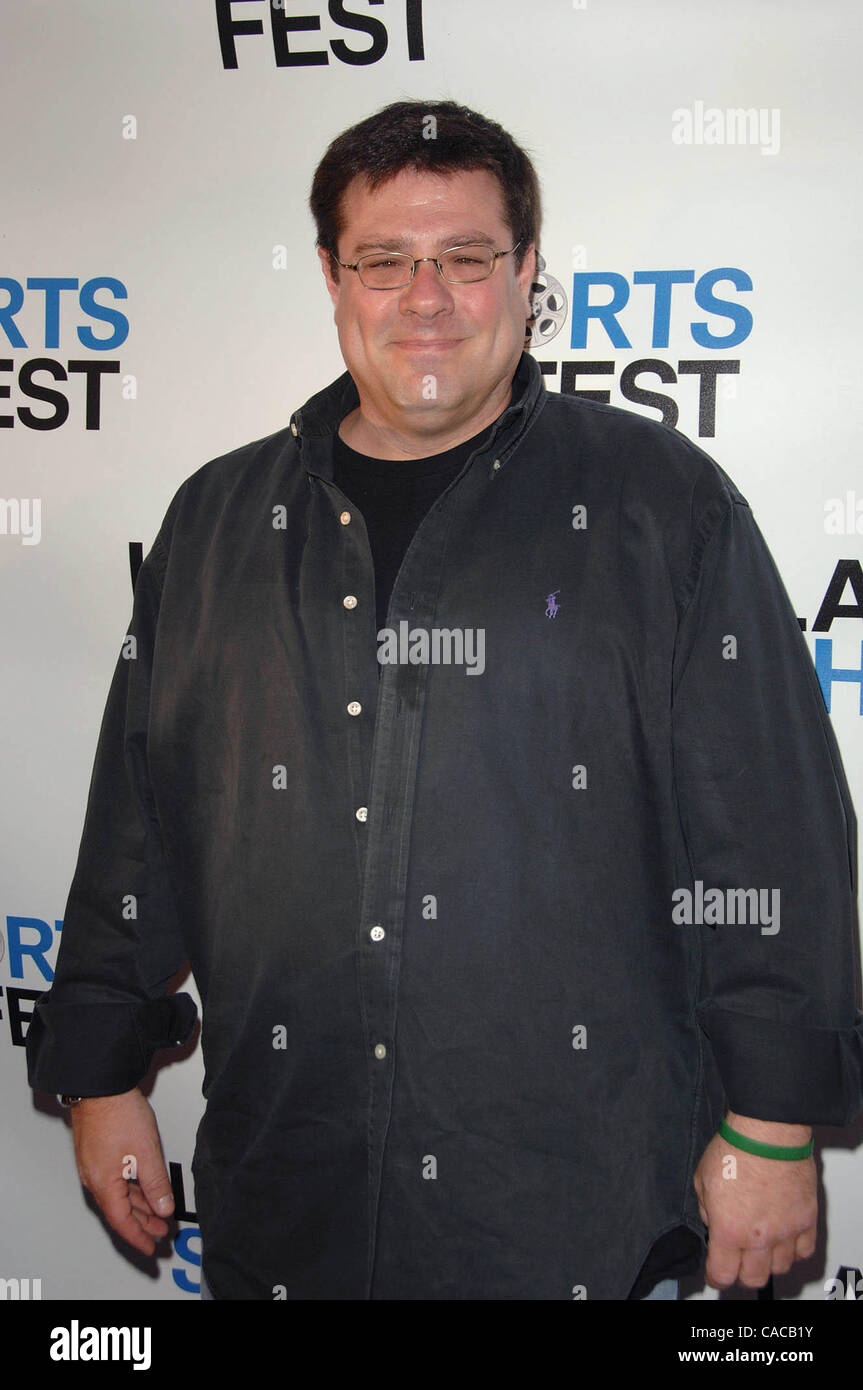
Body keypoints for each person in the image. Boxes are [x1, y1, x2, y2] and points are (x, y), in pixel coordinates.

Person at [26, 99, 863, 1302]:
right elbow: (135, 828)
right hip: (287, 1200)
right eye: (383, 260)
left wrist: (774, 1127)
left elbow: (769, 828)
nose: (425, 297)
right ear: (330, 275)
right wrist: (103, 1076)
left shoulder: (659, 509)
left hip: (566, 1215)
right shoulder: (215, 523)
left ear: (526, 273)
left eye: (466, 257)